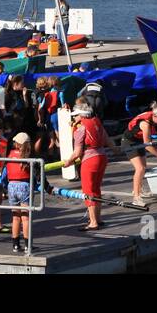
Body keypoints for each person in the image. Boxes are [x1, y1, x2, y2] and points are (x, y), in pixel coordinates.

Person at [61, 98, 110, 231]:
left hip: (90, 160)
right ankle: (98, 219)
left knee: (88, 191)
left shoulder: (80, 129)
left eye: (75, 115)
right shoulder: (97, 122)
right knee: (96, 189)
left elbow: (77, 152)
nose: (74, 118)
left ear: (81, 115)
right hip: (102, 157)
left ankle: (93, 222)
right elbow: (106, 139)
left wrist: (68, 162)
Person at [122, 101, 157, 203]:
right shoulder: (145, 124)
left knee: (144, 167)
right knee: (139, 168)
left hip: (139, 140)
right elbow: (148, 145)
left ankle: (140, 189)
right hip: (129, 142)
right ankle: (136, 197)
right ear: (155, 116)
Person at [5, 131, 34, 253]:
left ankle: (15, 245)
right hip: (24, 186)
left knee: (15, 217)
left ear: (16, 144)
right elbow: (35, 174)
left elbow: (4, 174)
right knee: (25, 218)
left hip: (11, 186)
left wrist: (4, 186)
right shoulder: (28, 156)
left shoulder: (10, 155)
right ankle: (27, 245)